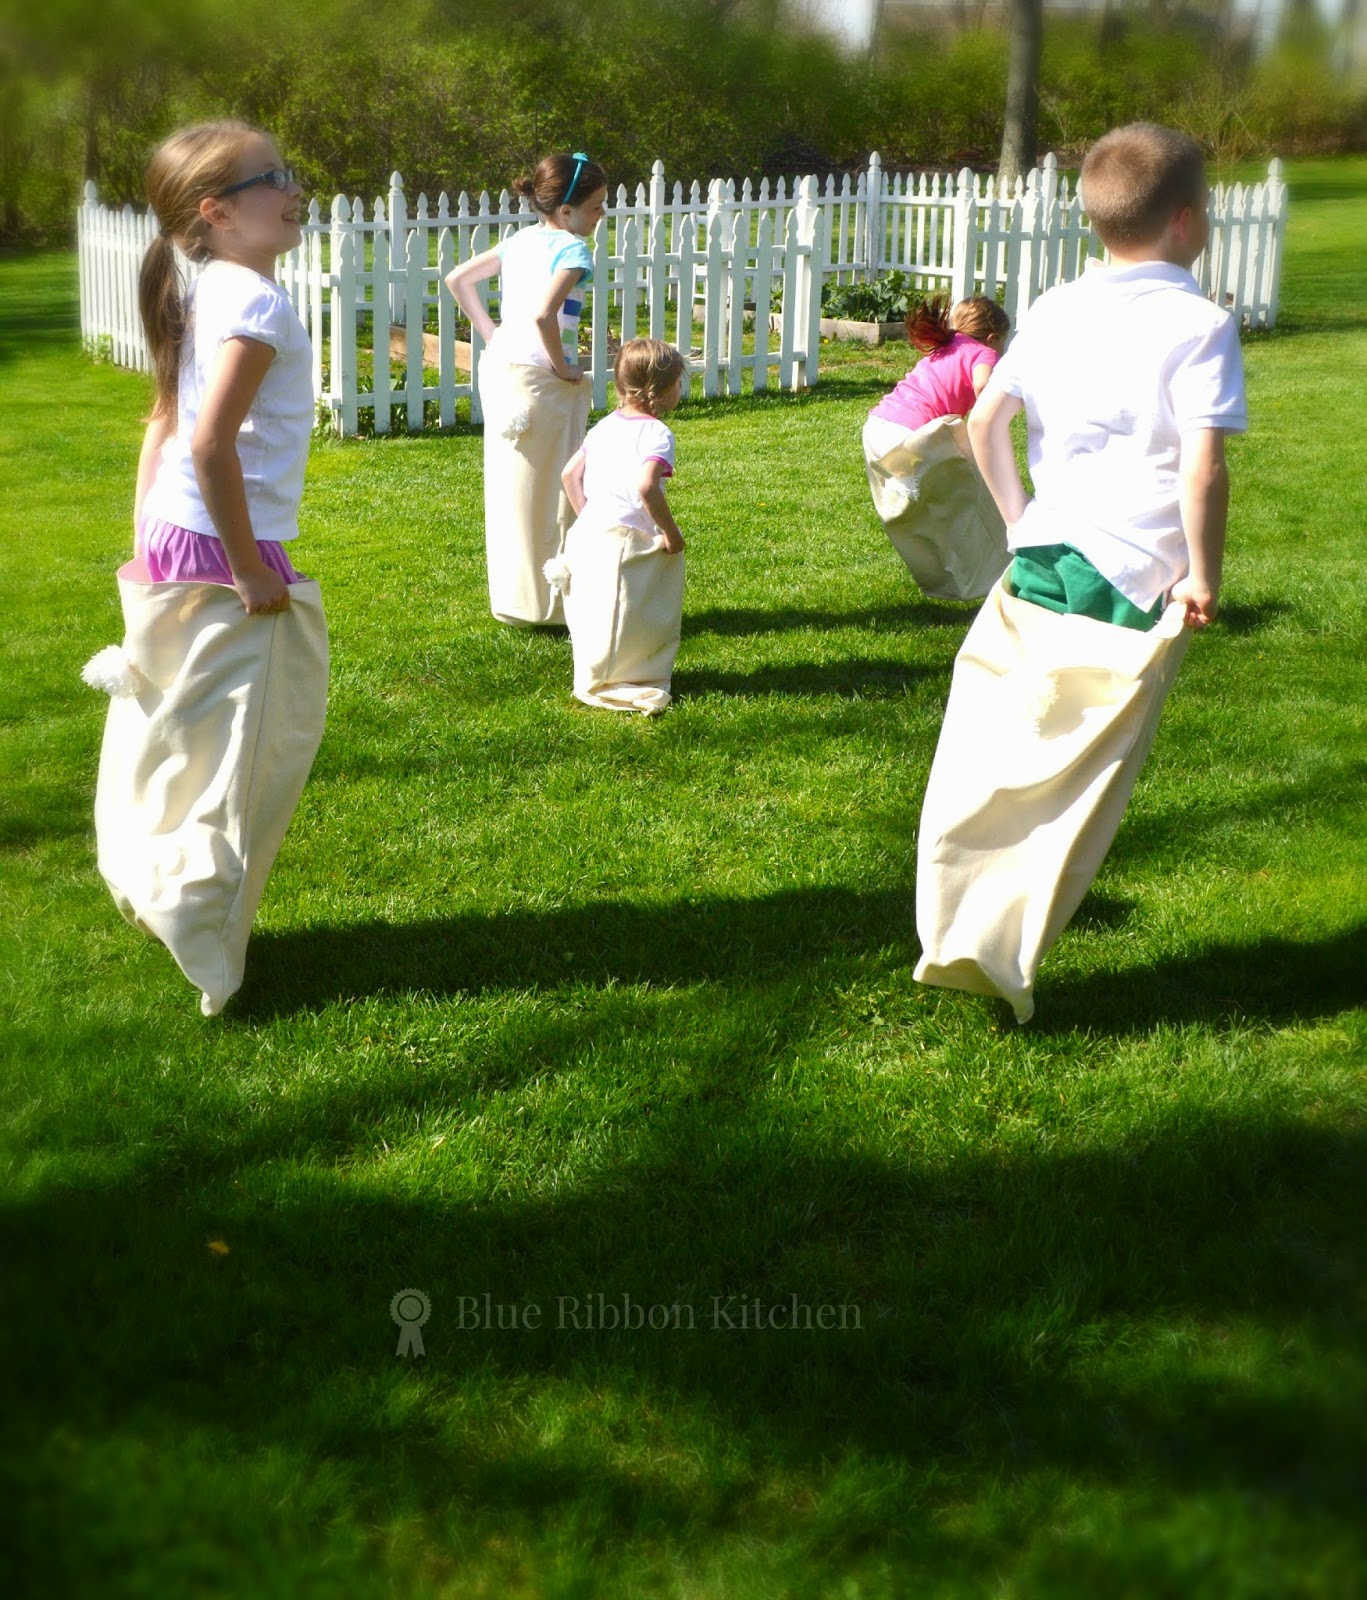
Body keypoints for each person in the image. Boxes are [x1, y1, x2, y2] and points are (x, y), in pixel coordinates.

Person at [914, 122, 1247, 1022]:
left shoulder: (1055, 304)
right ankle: (996, 952)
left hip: (1041, 557)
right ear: (1186, 221)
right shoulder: (1200, 323)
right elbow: (1202, 467)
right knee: (1074, 776)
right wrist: (1203, 577)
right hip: (1130, 573)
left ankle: (955, 926)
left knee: (1003, 745)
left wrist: (1022, 521)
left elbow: (983, 425)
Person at [83, 121, 328, 1016]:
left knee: (177, 730)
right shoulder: (255, 302)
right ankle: (201, 925)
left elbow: (162, 423)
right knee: (246, 751)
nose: (294, 187)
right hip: (231, 546)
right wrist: (248, 570)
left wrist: (147, 537)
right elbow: (207, 439)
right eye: (275, 177)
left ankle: (148, 867)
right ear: (215, 212)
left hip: (178, 535)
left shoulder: (213, 283)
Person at [445, 151, 608, 626]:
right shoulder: (574, 251)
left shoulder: (518, 242)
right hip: (541, 379)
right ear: (565, 211)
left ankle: (515, 600)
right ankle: (553, 605)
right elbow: (544, 315)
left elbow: (458, 279)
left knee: (511, 489)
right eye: (595, 206)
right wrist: (564, 368)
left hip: (502, 369)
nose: (601, 215)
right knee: (556, 487)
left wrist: (490, 332)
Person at [546, 338, 686, 715]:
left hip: (589, 534)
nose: (680, 389)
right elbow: (646, 487)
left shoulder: (602, 427)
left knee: (594, 609)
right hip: (626, 541)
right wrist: (671, 534)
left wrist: (590, 516)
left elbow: (569, 475)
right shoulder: (657, 434)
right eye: (678, 382)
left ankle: (595, 671)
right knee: (631, 610)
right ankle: (628, 678)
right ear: (661, 388)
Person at [861, 296, 1013, 601]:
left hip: (878, 428)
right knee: (970, 495)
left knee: (923, 511)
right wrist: (992, 415)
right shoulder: (983, 352)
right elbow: (983, 384)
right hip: (915, 434)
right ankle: (986, 569)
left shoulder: (948, 344)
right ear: (993, 338)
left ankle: (946, 576)